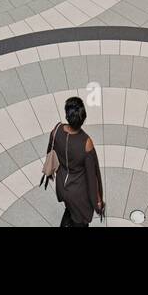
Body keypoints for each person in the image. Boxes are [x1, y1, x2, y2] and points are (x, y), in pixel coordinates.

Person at [42, 96, 105, 227]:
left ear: (67, 115)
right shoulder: (86, 143)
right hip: (79, 194)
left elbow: (50, 152)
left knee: (70, 210)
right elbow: (92, 177)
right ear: (83, 118)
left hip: (62, 186)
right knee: (80, 222)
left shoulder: (57, 130)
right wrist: (97, 202)